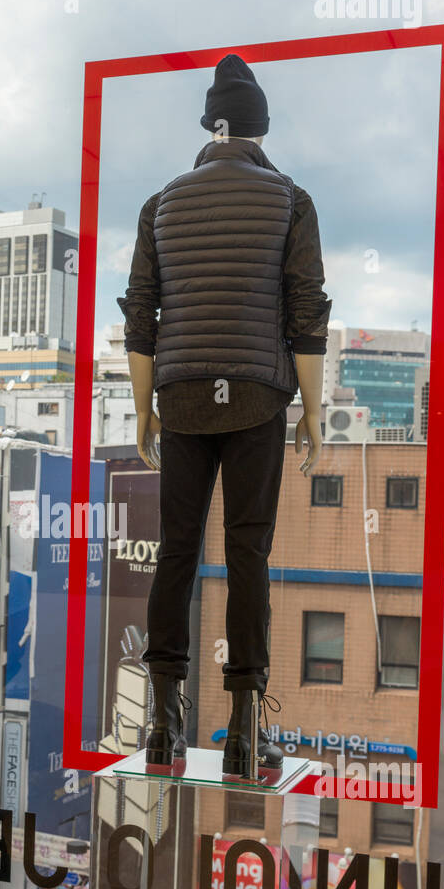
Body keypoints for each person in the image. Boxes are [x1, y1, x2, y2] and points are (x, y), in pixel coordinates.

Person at [119, 54, 330, 779]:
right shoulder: (290, 198)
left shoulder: (161, 202)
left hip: (177, 396)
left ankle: (162, 724)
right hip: (255, 398)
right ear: (259, 131)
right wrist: (313, 409)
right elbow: (306, 310)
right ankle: (243, 729)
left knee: (175, 551)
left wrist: (143, 409)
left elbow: (139, 314)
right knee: (248, 554)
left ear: (208, 130)